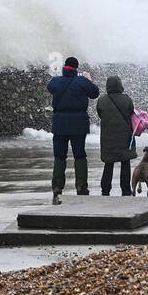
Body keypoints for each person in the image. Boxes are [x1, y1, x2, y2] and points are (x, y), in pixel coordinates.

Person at [46, 56, 100, 204]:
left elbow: (49, 87)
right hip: (78, 124)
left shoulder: (56, 81)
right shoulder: (82, 81)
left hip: (60, 124)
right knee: (80, 155)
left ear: (65, 66)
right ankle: (81, 188)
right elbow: (95, 93)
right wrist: (88, 79)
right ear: (76, 68)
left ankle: (57, 188)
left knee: (59, 156)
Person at [95, 75, 138, 196]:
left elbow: (100, 114)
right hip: (124, 136)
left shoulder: (102, 100)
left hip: (108, 137)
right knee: (125, 163)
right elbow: (131, 112)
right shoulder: (127, 99)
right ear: (120, 85)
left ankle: (105, 190)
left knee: (108, 163)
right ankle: (125, 190)